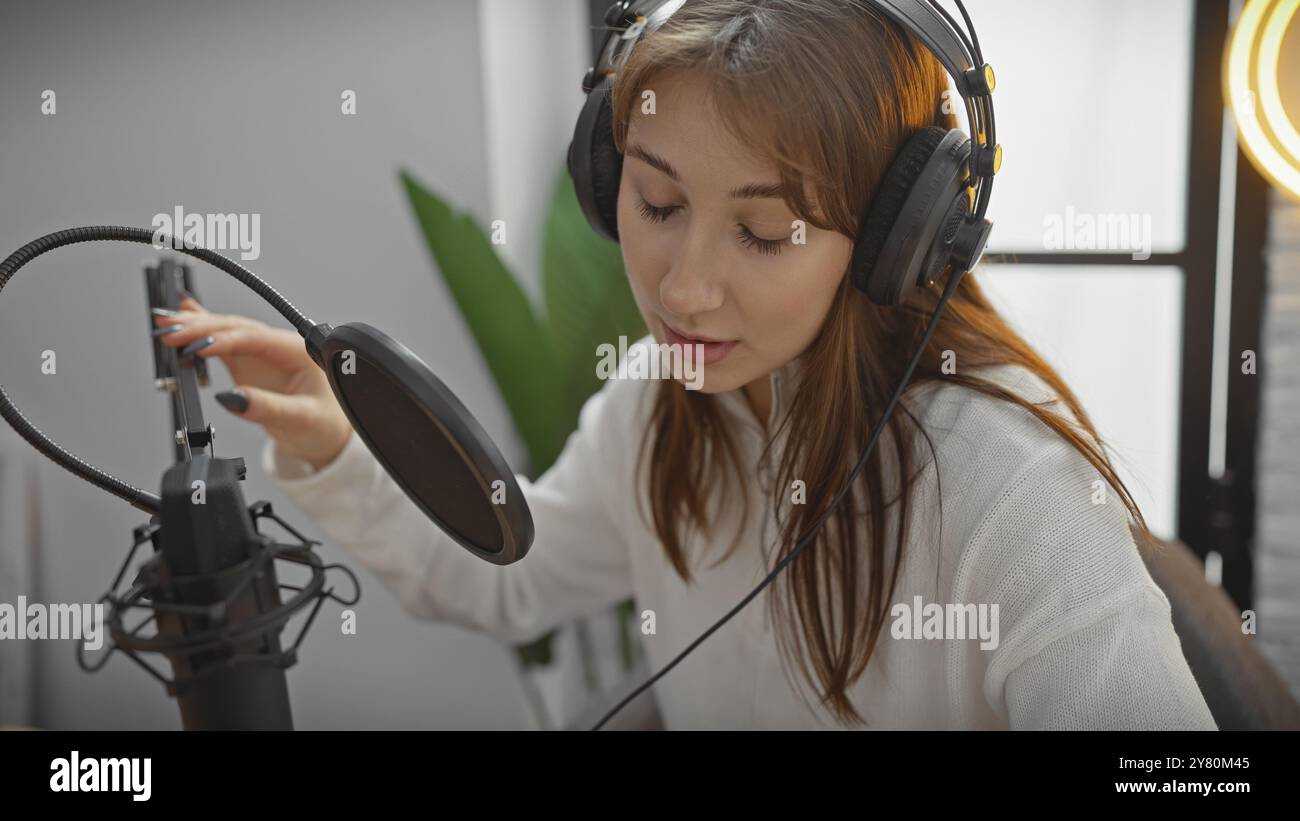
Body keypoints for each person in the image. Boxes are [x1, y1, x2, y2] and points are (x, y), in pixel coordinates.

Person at [153, 0, 1216, 730]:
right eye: (657, 206)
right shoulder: (658, 408)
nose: (684, 288)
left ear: (896, 241)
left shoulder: (1015, 493)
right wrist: (335, 443)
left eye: (762, 232)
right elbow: (507, 574)